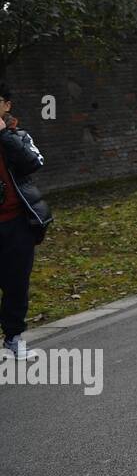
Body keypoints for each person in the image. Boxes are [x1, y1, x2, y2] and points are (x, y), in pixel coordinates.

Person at [0, 85, 53, 359]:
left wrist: (3, 135)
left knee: (16, 283)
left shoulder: (18, 137)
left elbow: (33, 163)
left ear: (6, 105)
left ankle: (13, 337)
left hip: (16, 223)